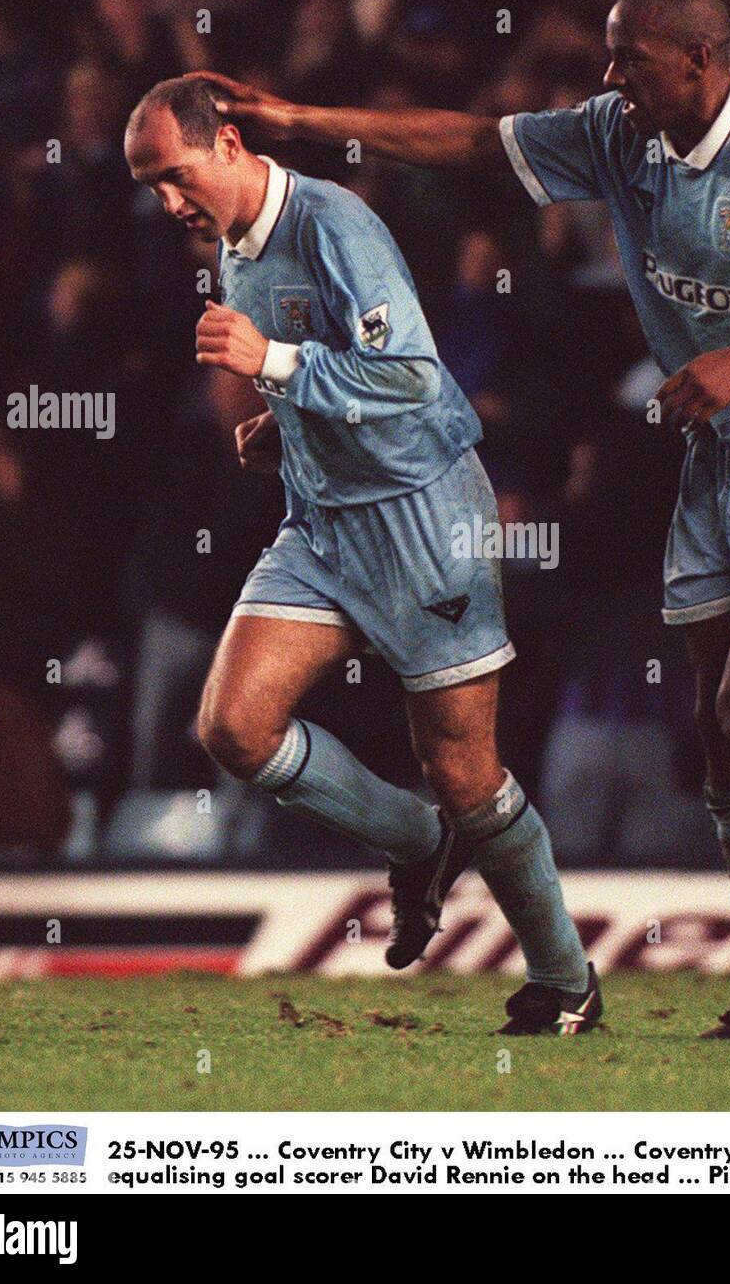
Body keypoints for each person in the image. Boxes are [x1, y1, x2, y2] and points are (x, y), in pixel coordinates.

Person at [192, 0, 730, 1039]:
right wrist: (296, 119)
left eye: (628, 60)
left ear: (697, 59)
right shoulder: (618, 137)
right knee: (718, 732)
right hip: (719, 464)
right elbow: (470, 141)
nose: (607, 78)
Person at [123, 77, 599, 1035]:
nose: (167, 202)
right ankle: (416, 840)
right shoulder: (232, 243)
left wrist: (274, 366)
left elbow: (416, 376)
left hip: (423, 519)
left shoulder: (334, 224)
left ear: (223, 142)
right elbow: (322, 371)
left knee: (465, 770)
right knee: (233, 729)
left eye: (172, 176)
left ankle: (563, 980)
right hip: (323, 522)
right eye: (150, 187)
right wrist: (283, 421)